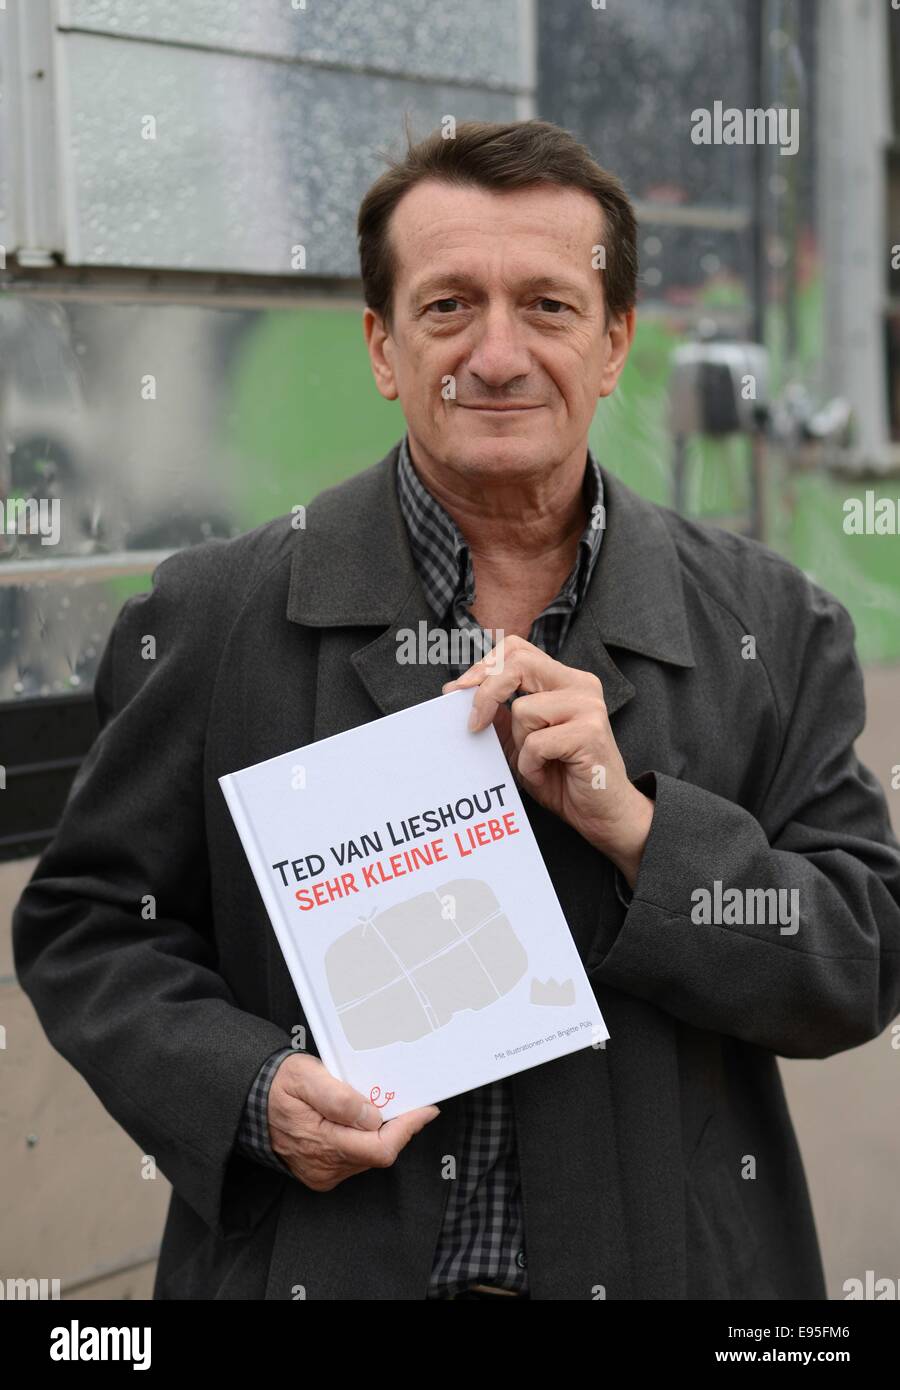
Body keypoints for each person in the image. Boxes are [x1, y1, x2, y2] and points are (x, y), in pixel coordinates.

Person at [13, 120, 900, 1300]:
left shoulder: (770, 626)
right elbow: (89, 926)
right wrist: (248, 1091)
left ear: (614, 342)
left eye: (547, 305)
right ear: (383, 347)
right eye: (446, 308)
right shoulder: (218, 615)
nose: (497, 355)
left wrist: (637, 825)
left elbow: (861, 954)